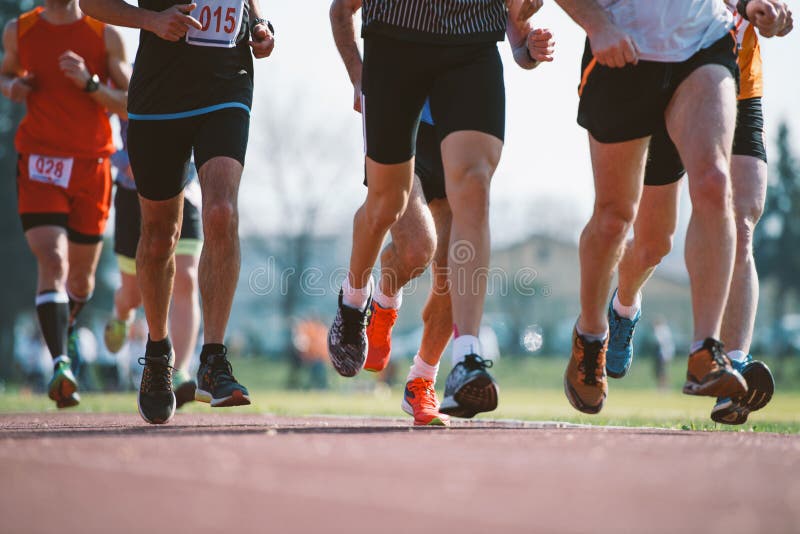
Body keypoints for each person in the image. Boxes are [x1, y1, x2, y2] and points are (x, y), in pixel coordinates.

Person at [555, 0, 792, 415]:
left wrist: (762, 8)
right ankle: (597, 330)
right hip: (628, 49)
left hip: (705, 46)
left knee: (720, 189)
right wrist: (596, 23)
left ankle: (712, 353)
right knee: (627, 227)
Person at [328, 0, 554, 425]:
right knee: (415, 245)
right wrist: (359, 77)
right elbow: (341, 11)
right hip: (402, 95)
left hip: (459, 105)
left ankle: (423, 379)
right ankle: (363, 300)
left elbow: (517, 40)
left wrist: (530, 45)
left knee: (453, 266)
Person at [80, 0, 275, 424]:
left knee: (221, 211)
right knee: (158, 234)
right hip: (159, 96)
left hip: (227, 83)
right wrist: (151, 20)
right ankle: (156, 352)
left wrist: (258, 23)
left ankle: (213, 359)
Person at [0, 0, 129, 408]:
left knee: (81, 282)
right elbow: (4, 75)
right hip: (39, 161)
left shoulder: (105, 32)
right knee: (52, 260)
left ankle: (67, 328)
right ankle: (60, 364)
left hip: (91, 166)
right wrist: (12, 87)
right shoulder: (19, 30)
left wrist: (90, 84)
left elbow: (131, 103)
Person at [104, 118, 203, 409]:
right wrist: (123, 158)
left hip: (185, 183)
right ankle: (122, 310)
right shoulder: (123, 71)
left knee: (186, 278)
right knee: (135, 294)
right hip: (132, 188)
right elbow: (96, 121)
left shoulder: (191, 73)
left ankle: (180, 371)